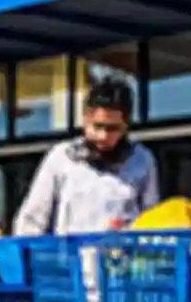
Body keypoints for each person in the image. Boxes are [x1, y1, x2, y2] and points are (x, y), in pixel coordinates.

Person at [14, 77, 159, 235]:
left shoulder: (142, 160)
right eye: (98, 126)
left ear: (126, 125)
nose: (103, 136)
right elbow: (32, 220)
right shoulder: (61, 158)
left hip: (120, 255)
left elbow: (151, 221)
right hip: (68, 256)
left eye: (112, 129)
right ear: (85, 119)